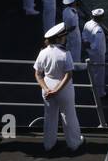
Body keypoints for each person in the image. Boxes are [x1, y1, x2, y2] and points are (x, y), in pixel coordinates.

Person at [34, 22, 83, 152]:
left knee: (49, 117)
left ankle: (48, 144)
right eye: (64, 36)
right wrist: (56, 90)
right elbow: (68, 75)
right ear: (59, 38)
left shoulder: (42, 53)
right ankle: (74, 143)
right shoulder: (65, 53)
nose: (65, 38)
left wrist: (46, 89)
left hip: (47, 85)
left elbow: (38, 74)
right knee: (69, 115)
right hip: (63, 88)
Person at [84, 8, 108, 99]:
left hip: (90, 53)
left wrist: (87, 45)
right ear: (100, 17)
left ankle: (93, 88)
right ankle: (100, 93)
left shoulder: (87, 23)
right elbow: (97, 46)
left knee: (94, 71)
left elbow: (84, 36)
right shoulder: (98, 29)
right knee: (100, 73)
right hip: (98, 54)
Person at [62, 0, 83, 64]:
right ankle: (76, 66)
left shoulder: (65, 10)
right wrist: (67, 31)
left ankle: (68, 62)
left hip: (68, 33)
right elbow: (73, 26)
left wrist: (65, 32)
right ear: (73, 3)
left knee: (69, 48)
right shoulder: (73, 13)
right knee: (76, 50)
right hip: (75, 34)